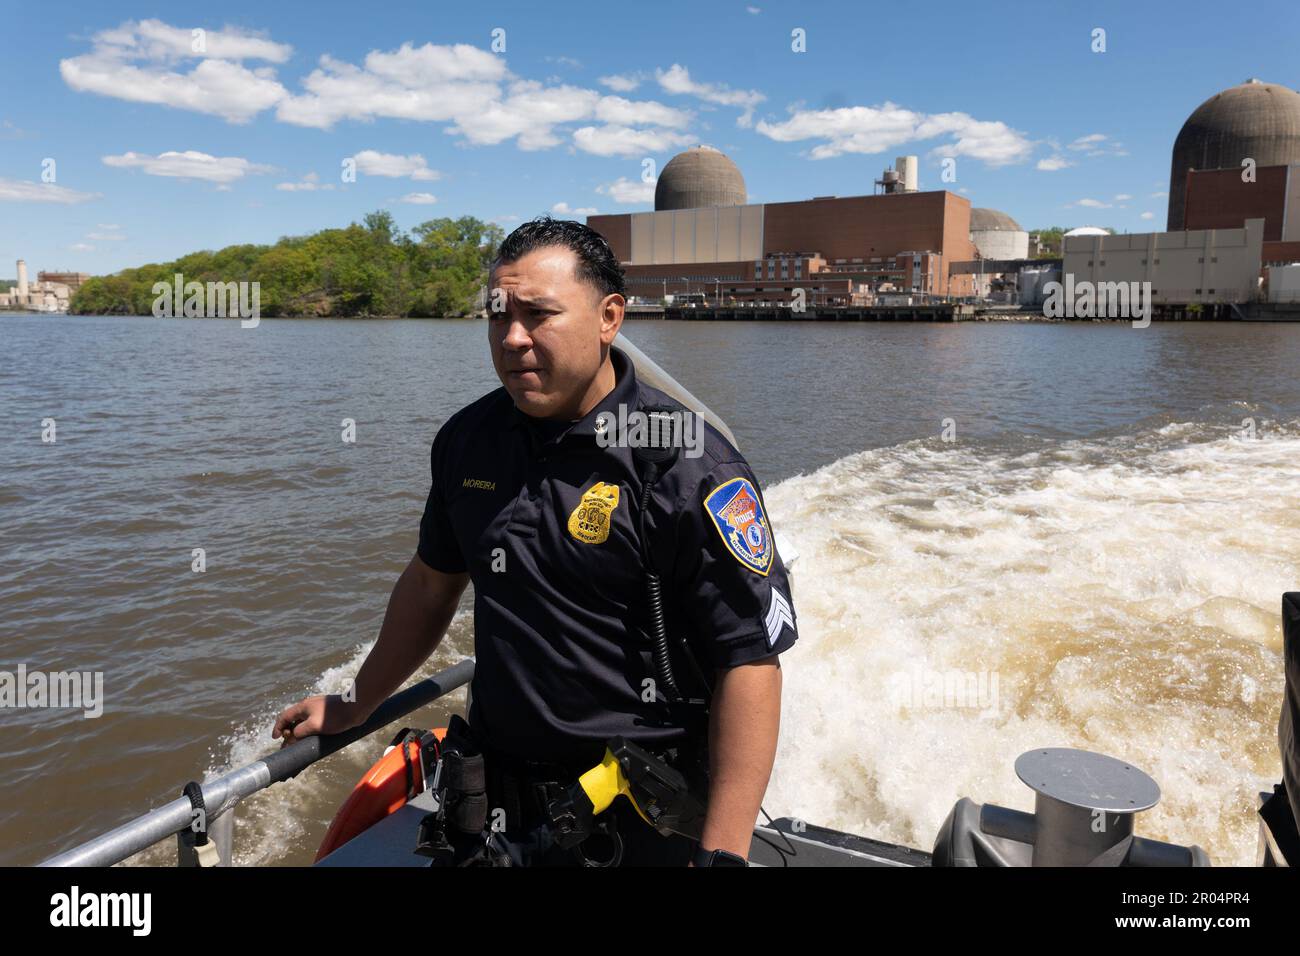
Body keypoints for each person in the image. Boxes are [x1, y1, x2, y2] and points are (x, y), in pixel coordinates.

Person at [274, 217, 798, 866]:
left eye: (539, 314)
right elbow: (430, 585)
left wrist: (723, 854)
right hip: (489, 817)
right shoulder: (467, 442)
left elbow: (747, 661)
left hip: (632, 823)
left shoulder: (686, 464)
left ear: (609, 317)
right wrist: (356, 702)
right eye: (499, 316)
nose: (513, 337)